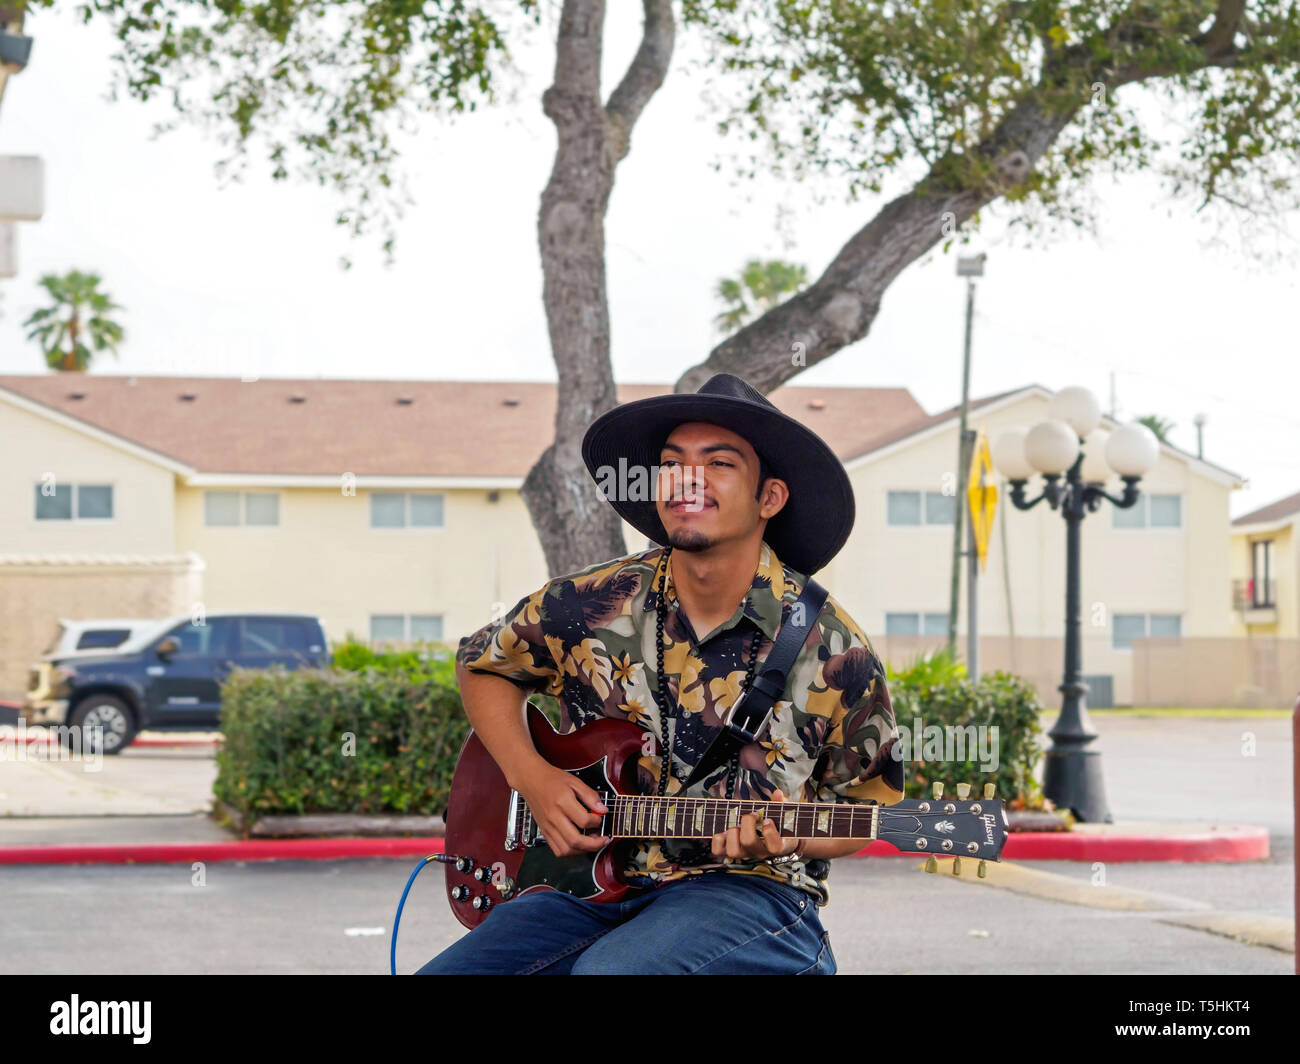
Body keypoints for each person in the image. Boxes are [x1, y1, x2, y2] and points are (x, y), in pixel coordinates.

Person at [416, 373, 905, 975]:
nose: (688, 479)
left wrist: (787, 837)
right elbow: (482, 664)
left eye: (719, 462)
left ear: (769, 498)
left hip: (749, 893)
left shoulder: (833, 647)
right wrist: (533, 778)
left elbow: (864, 806)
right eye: (672, 464)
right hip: (584, 887)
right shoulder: (589, 602)